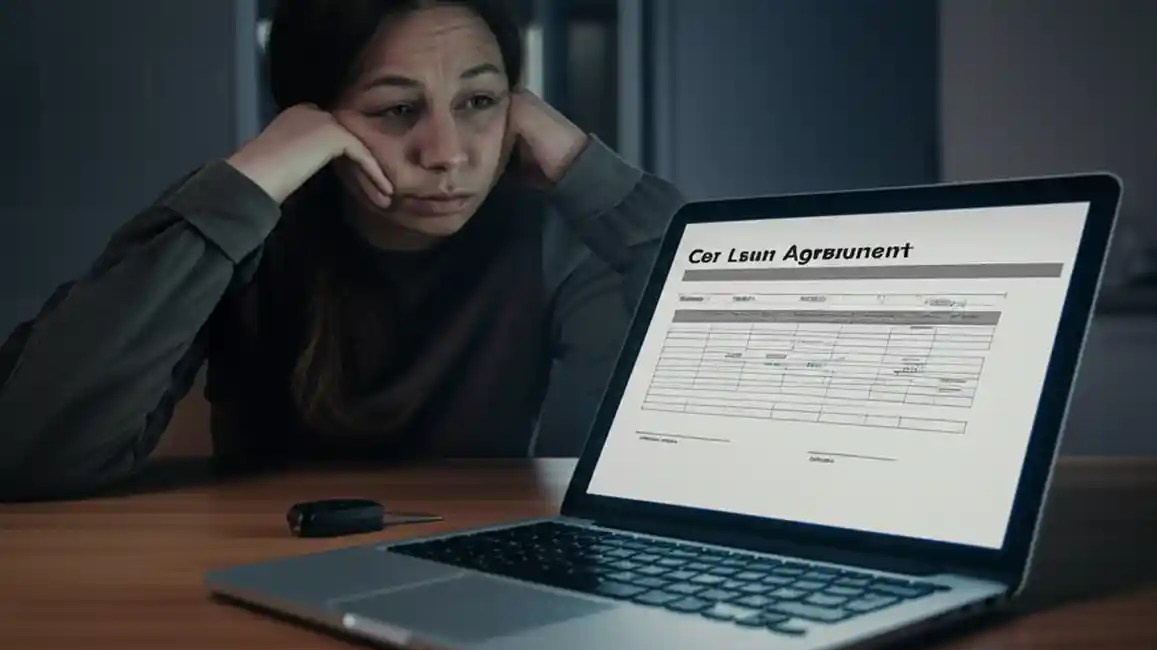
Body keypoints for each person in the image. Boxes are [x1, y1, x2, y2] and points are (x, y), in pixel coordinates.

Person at [0, 0, 684, 501]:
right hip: (259, 568)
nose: (447, 155)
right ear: (314, 122)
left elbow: (727, 397)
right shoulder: (242, 224)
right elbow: (28, 452)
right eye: (395, 110)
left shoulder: (550, 233)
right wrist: (248, 180)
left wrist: (588, 170)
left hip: (478, 557)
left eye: (479, 100)